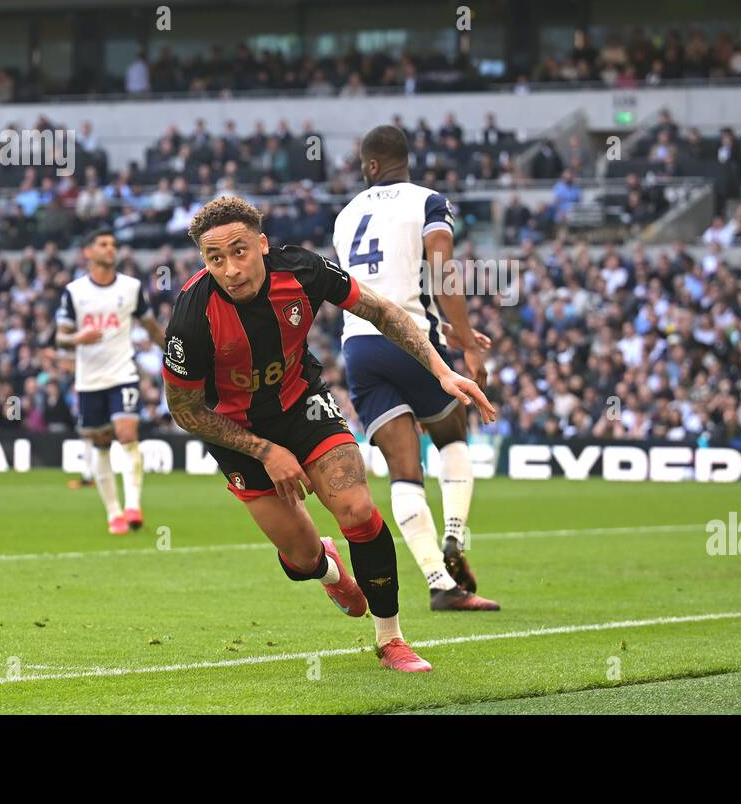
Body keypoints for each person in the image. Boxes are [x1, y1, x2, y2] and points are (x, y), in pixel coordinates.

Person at [161, 196, 496, 672]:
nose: (231, 268)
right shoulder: (192, 317)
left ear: (261, 244)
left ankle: (391, 639)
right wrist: (266, 451)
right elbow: (185, 411)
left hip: (302, 404)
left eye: (239, 251)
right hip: (236, 432)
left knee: (358, 509)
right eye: (216, 259)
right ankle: (329, 569)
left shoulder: (301, 269)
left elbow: (382, 311)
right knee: (299, 557)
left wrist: (441, 372)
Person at [334, 125, 499, 611]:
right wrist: (465, 341)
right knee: (451, 435)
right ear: (406, 159)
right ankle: (454, 536)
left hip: (360, 346)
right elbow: (443, 273)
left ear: (369, 166)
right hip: (413, 342)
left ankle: (438, 583)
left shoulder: (344, 217)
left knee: (403, 471)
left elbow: (371, 286)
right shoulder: (428, 201)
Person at [56, 229, 165, 533]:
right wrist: (79, 337)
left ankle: (133, 506)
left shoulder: (131, 288)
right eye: (103, 244)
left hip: (123, 375)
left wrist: (173, 352)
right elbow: (60, 338)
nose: (111, 249)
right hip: (89, 380)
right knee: (101, 445)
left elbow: (151, 327)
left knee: (127, 433)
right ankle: (113, 513)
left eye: (113, 245)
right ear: (88, 252)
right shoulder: (74, 292)